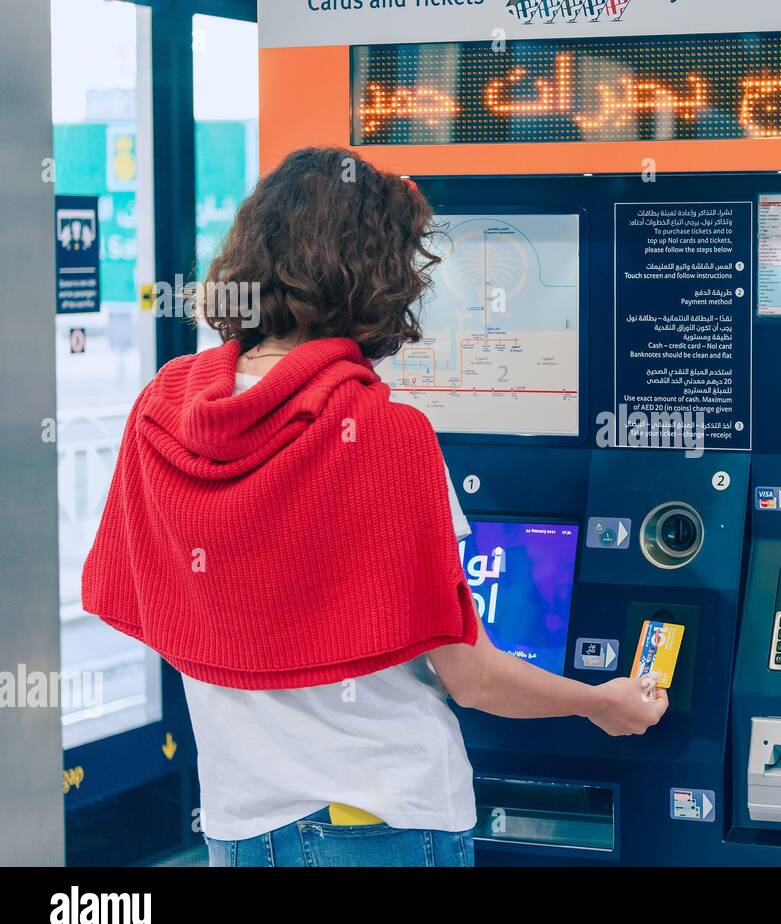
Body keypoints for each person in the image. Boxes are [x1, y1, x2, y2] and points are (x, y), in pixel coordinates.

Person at [82, 147, 667, 868]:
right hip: (386, 818)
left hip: (239, 825)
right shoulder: (390, 439)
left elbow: (160, 611)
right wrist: (598, 702)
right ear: (378, 279)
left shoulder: (162, 416)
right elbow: (472, 678)